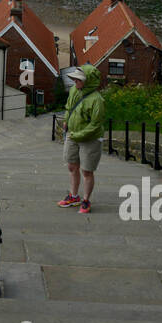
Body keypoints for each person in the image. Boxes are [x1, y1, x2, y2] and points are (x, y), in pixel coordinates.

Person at [57, 63, 106, 214]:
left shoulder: (97, 100)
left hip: (90, 139)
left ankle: (86, 200)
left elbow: (95, 125)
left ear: (88, 81)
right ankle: (74, 196)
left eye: (78, 80)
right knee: (72, 166)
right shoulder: (74, 90)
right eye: (75, 79)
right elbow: (68, 107)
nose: (75, 82)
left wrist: (77, 135)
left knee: (87, 171)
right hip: (72, 134)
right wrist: (66, 120)